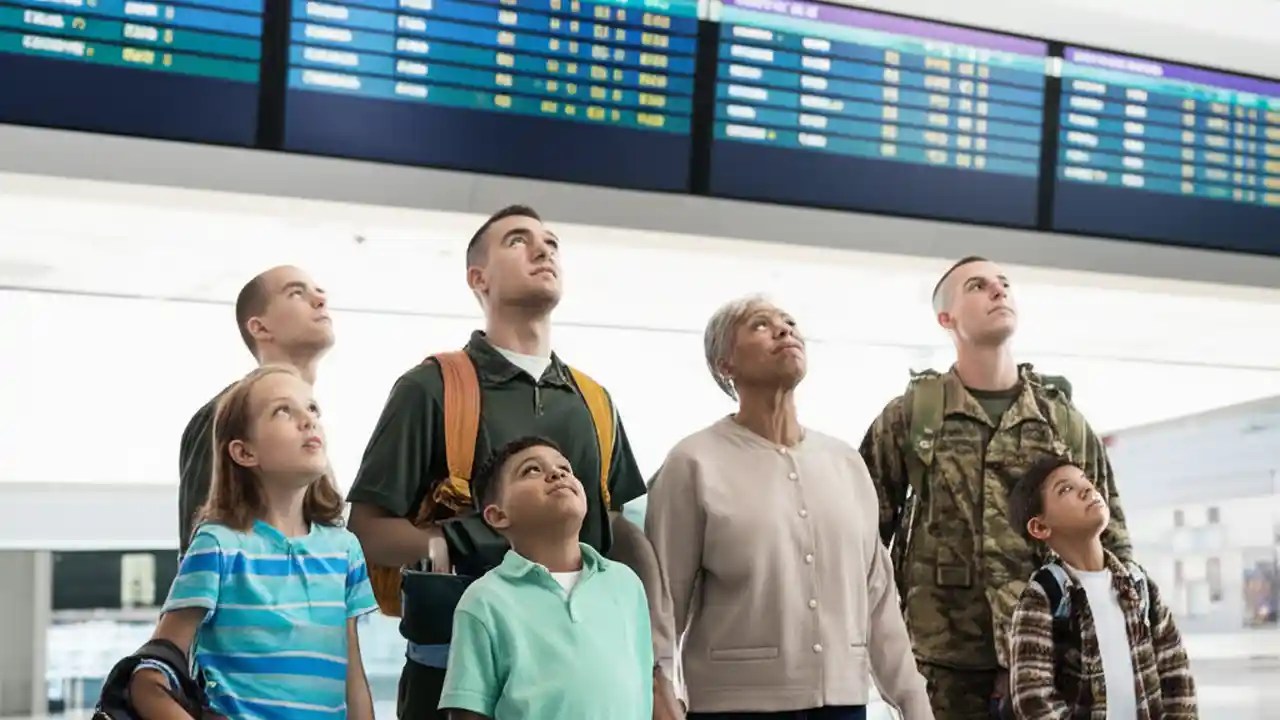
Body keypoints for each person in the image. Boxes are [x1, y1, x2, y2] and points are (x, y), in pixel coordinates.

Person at [345, 205, 661, 720]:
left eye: (552, 243)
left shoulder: (594, 402)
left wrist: (656, 666)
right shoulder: (432, 388)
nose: (543, 250)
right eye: (518, 240)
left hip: (588, 676)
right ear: (478, 277)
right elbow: (366, 531)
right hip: (449, 673)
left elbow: (617, 531)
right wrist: (452, 543)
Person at [858, 257, 1133, 720]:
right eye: (978, 286)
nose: (998, 292)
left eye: (1004, 284)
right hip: (944, 667)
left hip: (1051, 656)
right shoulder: (912, 416)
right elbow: (861, 538)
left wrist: (1125, 641)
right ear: (946, 318)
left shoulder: (1060, 419)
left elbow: (1112, 539)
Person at [646, 295, 933, 720]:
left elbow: (877, 598)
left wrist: (913, 700)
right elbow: (664, 594)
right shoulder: (693, 462)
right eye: (760, 325)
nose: (785, 330)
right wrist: (659, 689)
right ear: (725, 364)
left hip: (844, 704)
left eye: (790, 322)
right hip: (735, 706)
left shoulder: (845, 463)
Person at [130, 365, 378, 720]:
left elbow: (353, 678)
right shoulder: (217, 546)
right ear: (244, 452)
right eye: (282, 410)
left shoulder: (345, 550)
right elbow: (149, 679)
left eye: (312, 409)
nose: (308, 421)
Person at [440, 436, 654, 719]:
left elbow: (642, 689)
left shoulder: (626, 584)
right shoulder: (485, 600)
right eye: (531, 470)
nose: (557, 473)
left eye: (565, 468)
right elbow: (468, 711)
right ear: (497, 516)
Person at [1006, 456, 1197, 719]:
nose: (1087, 489)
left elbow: (1175, 671)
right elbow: (1033, 698)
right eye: (1065, 489)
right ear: (1040, 526)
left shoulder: (1139, 585)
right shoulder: (1043, 596)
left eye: (1086, 481)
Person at [178, 265, 333, 553]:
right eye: (297, 293)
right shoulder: (224, 417)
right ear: (260, 327)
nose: (321, 300)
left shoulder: (310, 429)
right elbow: (199, 552)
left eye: (319, 291)